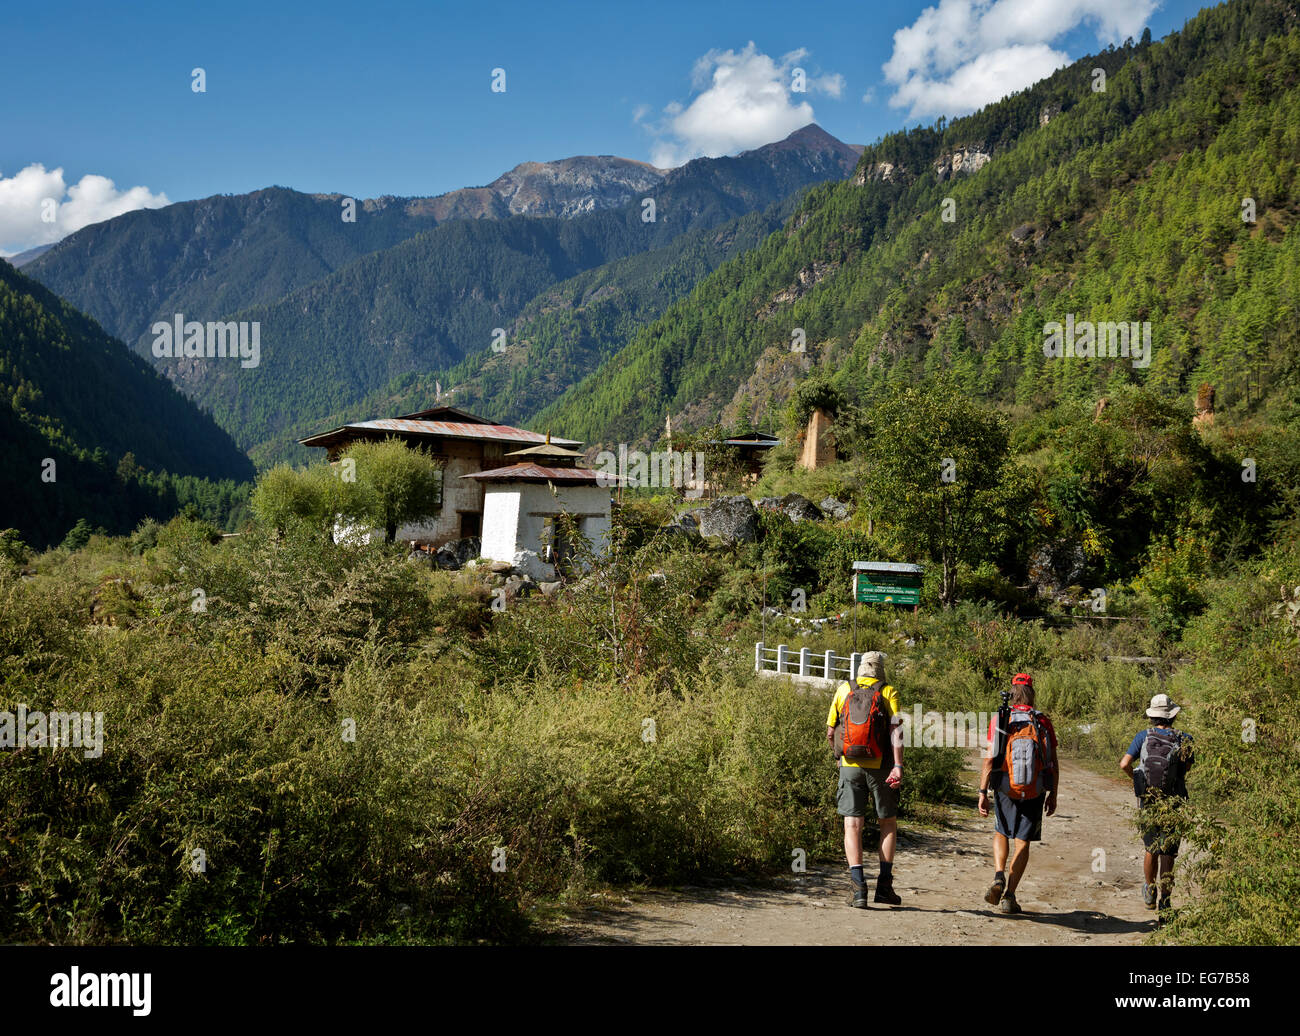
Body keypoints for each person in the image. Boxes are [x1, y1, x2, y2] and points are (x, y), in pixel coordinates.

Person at [826, 651, 904, 908]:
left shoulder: (843, 690)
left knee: (852, 825)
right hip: (881, 765)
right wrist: (898, 766)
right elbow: (896, 732)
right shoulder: (888, 692)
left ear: (860, 670)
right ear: (881, 671)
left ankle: (858, 890)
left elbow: (830, 732)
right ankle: (884, 887)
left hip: (849, 765)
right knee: (888, 823)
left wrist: (840, 759)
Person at [977, 672, 1058, 914]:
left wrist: (982, 791)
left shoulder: (1001, 719)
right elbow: (1052, 762)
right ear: (1031, 693)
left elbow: (990, 759)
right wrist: (1053, 793)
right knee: (1023, 842)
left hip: (1005, 787)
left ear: (1011, 693)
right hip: (1034, 790)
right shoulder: (1042, 721)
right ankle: (1010, 896)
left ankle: (999, 875)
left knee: (1001, 831)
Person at [1119, 693, 1193, 914]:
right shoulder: (1185, 738)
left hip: (1149, 801)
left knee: (1151, 847)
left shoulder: (1143, 736)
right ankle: (1166, 901)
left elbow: (1124, 764)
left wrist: (1138, 780)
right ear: (1173, 716)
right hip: (1175, 801)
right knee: (1168, 852)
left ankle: (1150, 890)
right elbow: (1186, 770)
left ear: (1152, 716)